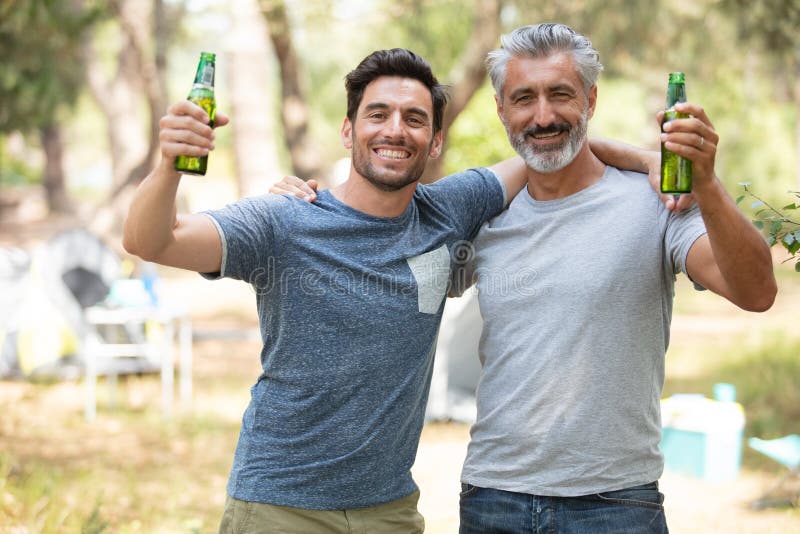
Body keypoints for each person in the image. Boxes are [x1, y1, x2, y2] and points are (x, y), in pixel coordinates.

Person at [125, 47, 664, 532]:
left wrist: (646, 160)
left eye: (414, 119)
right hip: (280, 507)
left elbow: (546, 145)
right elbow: (153, 240)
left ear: (434, 142)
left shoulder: (449, 210)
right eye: (377, 114)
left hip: (390, 511)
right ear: (347, 130)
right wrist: (170, 164)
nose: (394, 130)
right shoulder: (284, 221)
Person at [451, 23, 777, 533]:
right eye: (523, 98)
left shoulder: (658, 202)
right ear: (499, 109)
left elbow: (756, 292)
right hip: (494, 500)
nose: (543, 116)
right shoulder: (485, 216)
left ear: (591, 99)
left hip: (616, 504)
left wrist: (707, 183)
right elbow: (393, 284)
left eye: (561, 94)